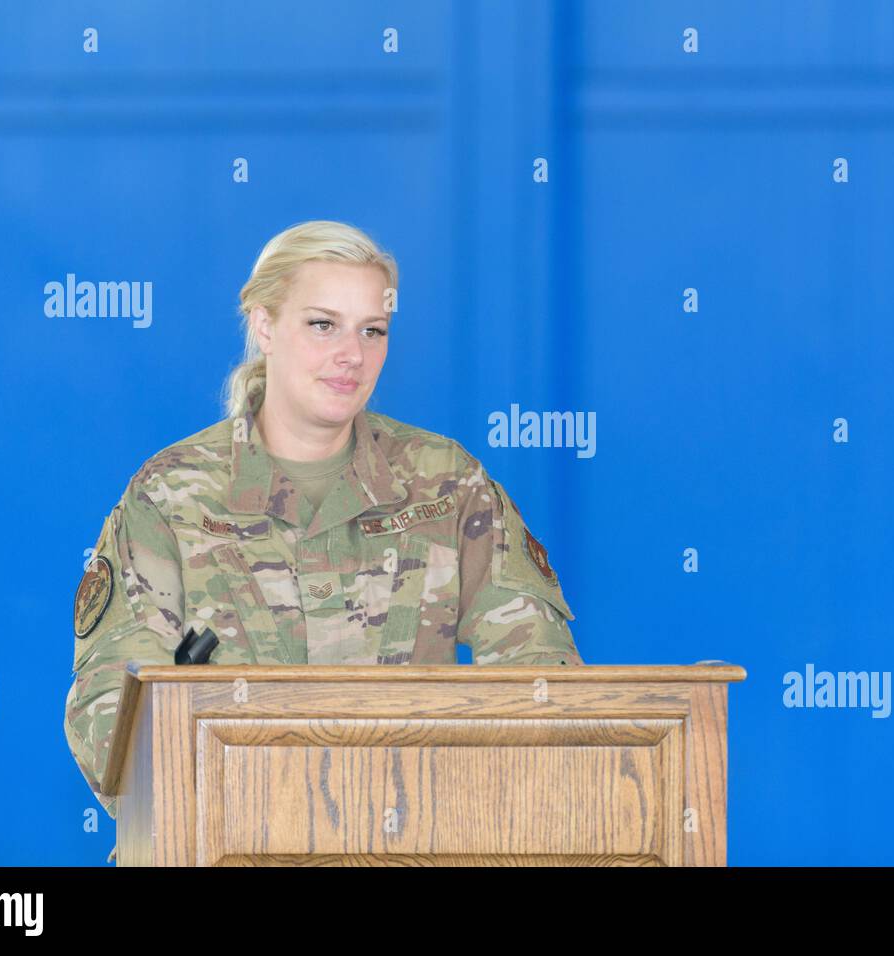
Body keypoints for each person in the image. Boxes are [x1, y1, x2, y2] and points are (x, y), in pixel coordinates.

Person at [64, 220, 583, 822]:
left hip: (415, 844)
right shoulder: (173, 496)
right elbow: (111, 724)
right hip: (229, 845)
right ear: (264, 325)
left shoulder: (445, 484)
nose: (351, 355)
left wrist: (455, 805)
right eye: (322, 324)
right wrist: (274, 804)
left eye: (373, 330)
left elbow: (544, 685)